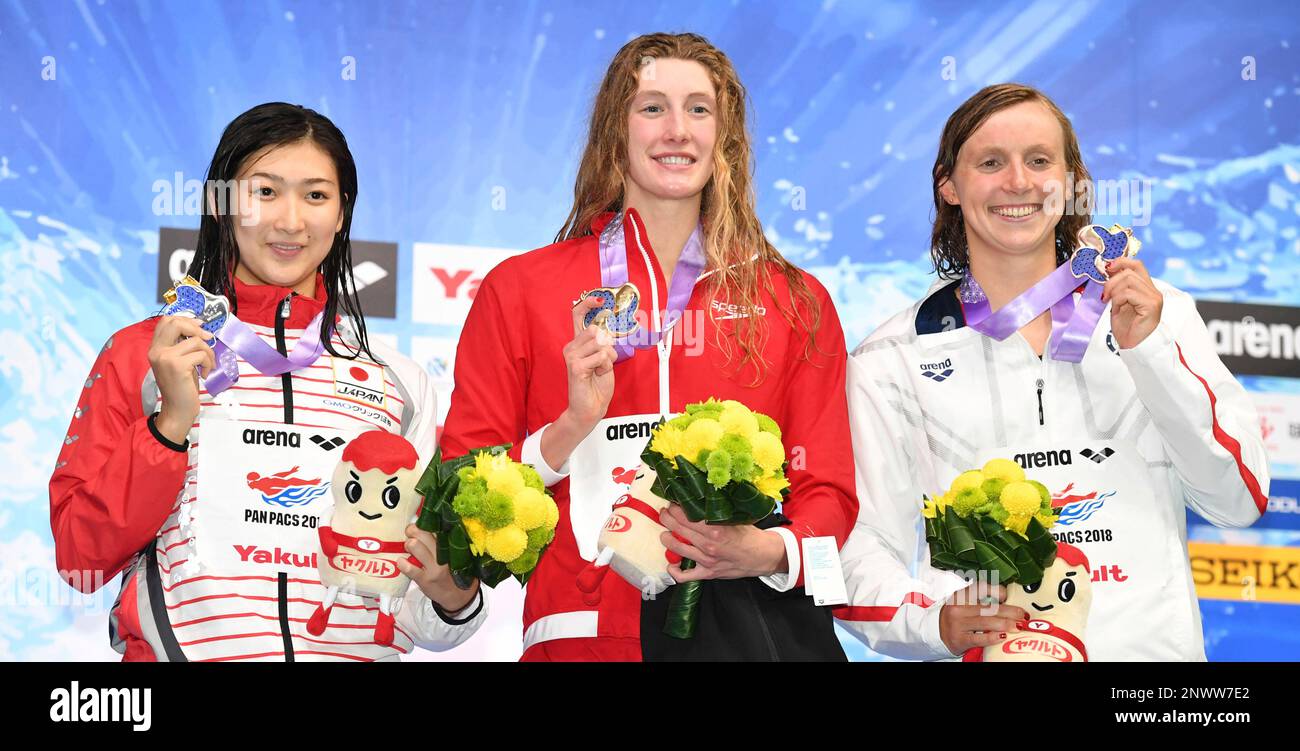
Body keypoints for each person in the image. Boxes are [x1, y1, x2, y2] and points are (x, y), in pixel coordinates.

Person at [441, 32, 857, 661]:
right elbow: (465, 491)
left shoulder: (794, 300)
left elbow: (826, 488)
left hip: (744, 631)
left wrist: (768, 550)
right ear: (617, 129)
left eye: (698, 109)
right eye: (652, 107)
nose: (677, 131)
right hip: (578, 636)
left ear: (727, 137)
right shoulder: (520, 288)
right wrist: (570, 426)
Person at [834, 84, 1269, 661]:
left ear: (1071, 181)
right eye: (991, 162)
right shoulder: (891, 357)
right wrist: (931, 621)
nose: (1018, 181)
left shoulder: (1159, 314)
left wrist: (1151, 352)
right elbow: (862, 548)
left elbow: (1238, 500)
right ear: (949, 184)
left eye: (1039, 160)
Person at [49, 102, 485, 661]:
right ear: (220, 205)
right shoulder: (147, 355)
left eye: (316, 195)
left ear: (342, 213)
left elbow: (429, 618)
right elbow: (80, 561)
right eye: (265, 192)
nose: (291, 222)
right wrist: (169, 428)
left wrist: (454, 598)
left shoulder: (398, 383)